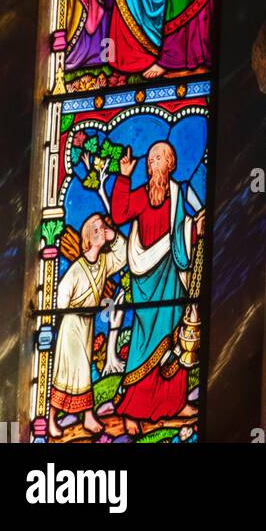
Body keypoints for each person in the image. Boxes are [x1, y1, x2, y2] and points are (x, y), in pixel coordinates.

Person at [111, 142, 203, 435]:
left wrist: (194, 229)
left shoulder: (176, 194)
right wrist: (124, 176)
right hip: (144, 279)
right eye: (150, 160)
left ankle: (173, 403)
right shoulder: (141, 195)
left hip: (171, 276)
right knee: (144, 343)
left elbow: (180, 234)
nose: (153, 163)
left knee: (174, 337)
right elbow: (119, 214)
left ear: (171, 164)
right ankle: (131, 411)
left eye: (159, 158)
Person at [48, 215, 127, 438]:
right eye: (96, 229)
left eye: (103, 227)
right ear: (87, 238)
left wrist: (116, 238)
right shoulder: (76, 269)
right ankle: (53, 417)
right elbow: (61, 300)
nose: (101, 231)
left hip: (88, 325)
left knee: (83, 371)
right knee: (68, 372)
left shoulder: (103, 263)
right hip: (72, 325)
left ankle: (87, 415)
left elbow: (122, 258)